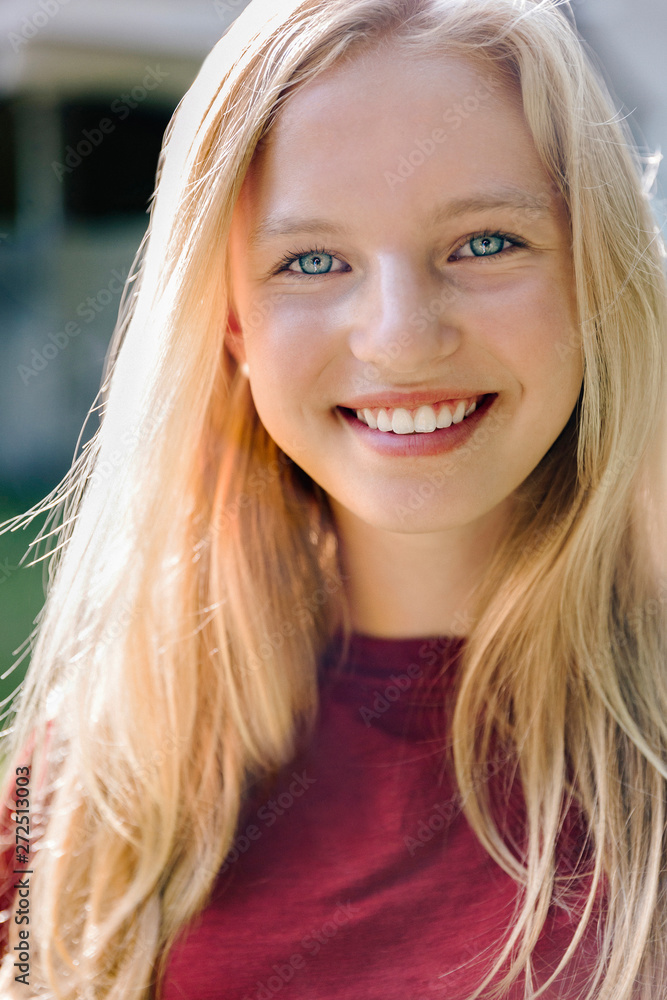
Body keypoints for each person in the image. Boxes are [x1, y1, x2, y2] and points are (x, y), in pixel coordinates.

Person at [1, 0, 667, 996]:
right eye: (311, 260)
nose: (400, 338)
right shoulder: (112, 753)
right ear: (230, 322)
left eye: (486, 241)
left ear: (593, 275)